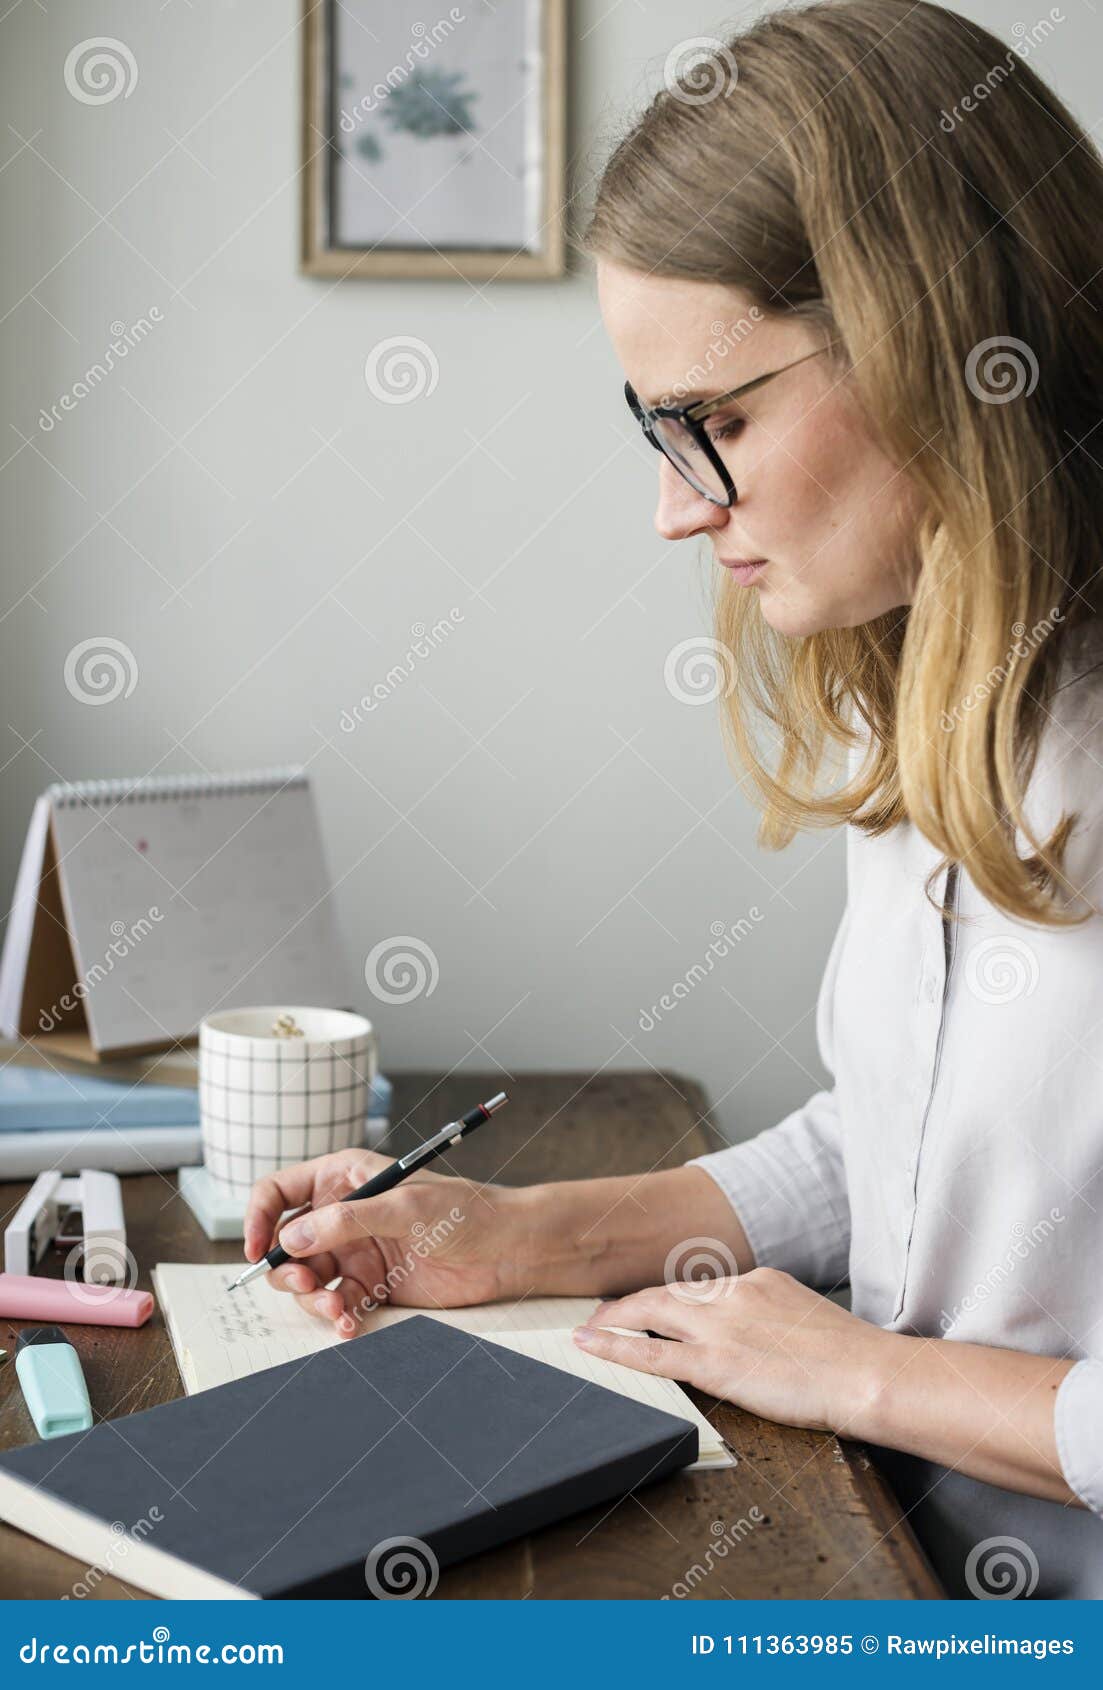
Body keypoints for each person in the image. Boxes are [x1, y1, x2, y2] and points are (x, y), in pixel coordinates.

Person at [244, 1, 1103, 1599]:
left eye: (713, 423)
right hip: (892, 1558)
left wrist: (859, 1372)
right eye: (656, 428)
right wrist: (519, 1238)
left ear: (937, 338)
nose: (669, 506)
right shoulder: (939, 681)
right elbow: (916, 1158)